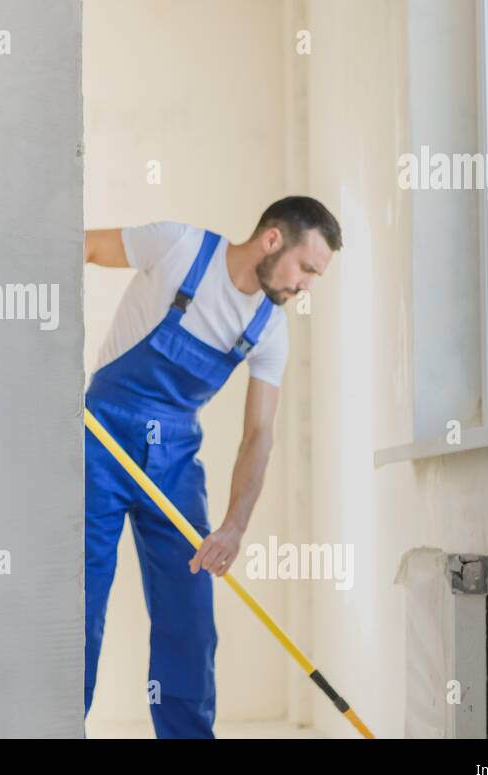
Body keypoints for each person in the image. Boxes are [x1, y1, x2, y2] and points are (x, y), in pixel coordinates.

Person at [83, 197, 342, 738]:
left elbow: (259, 433)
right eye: (307, 269)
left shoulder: (270, 329)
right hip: (99, 439)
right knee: (79, 605)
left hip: (174, 461)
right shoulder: (177, 246)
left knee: (191, 622)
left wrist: (233, 527)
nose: (306, 287)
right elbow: (82, 247)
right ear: (272, 240)